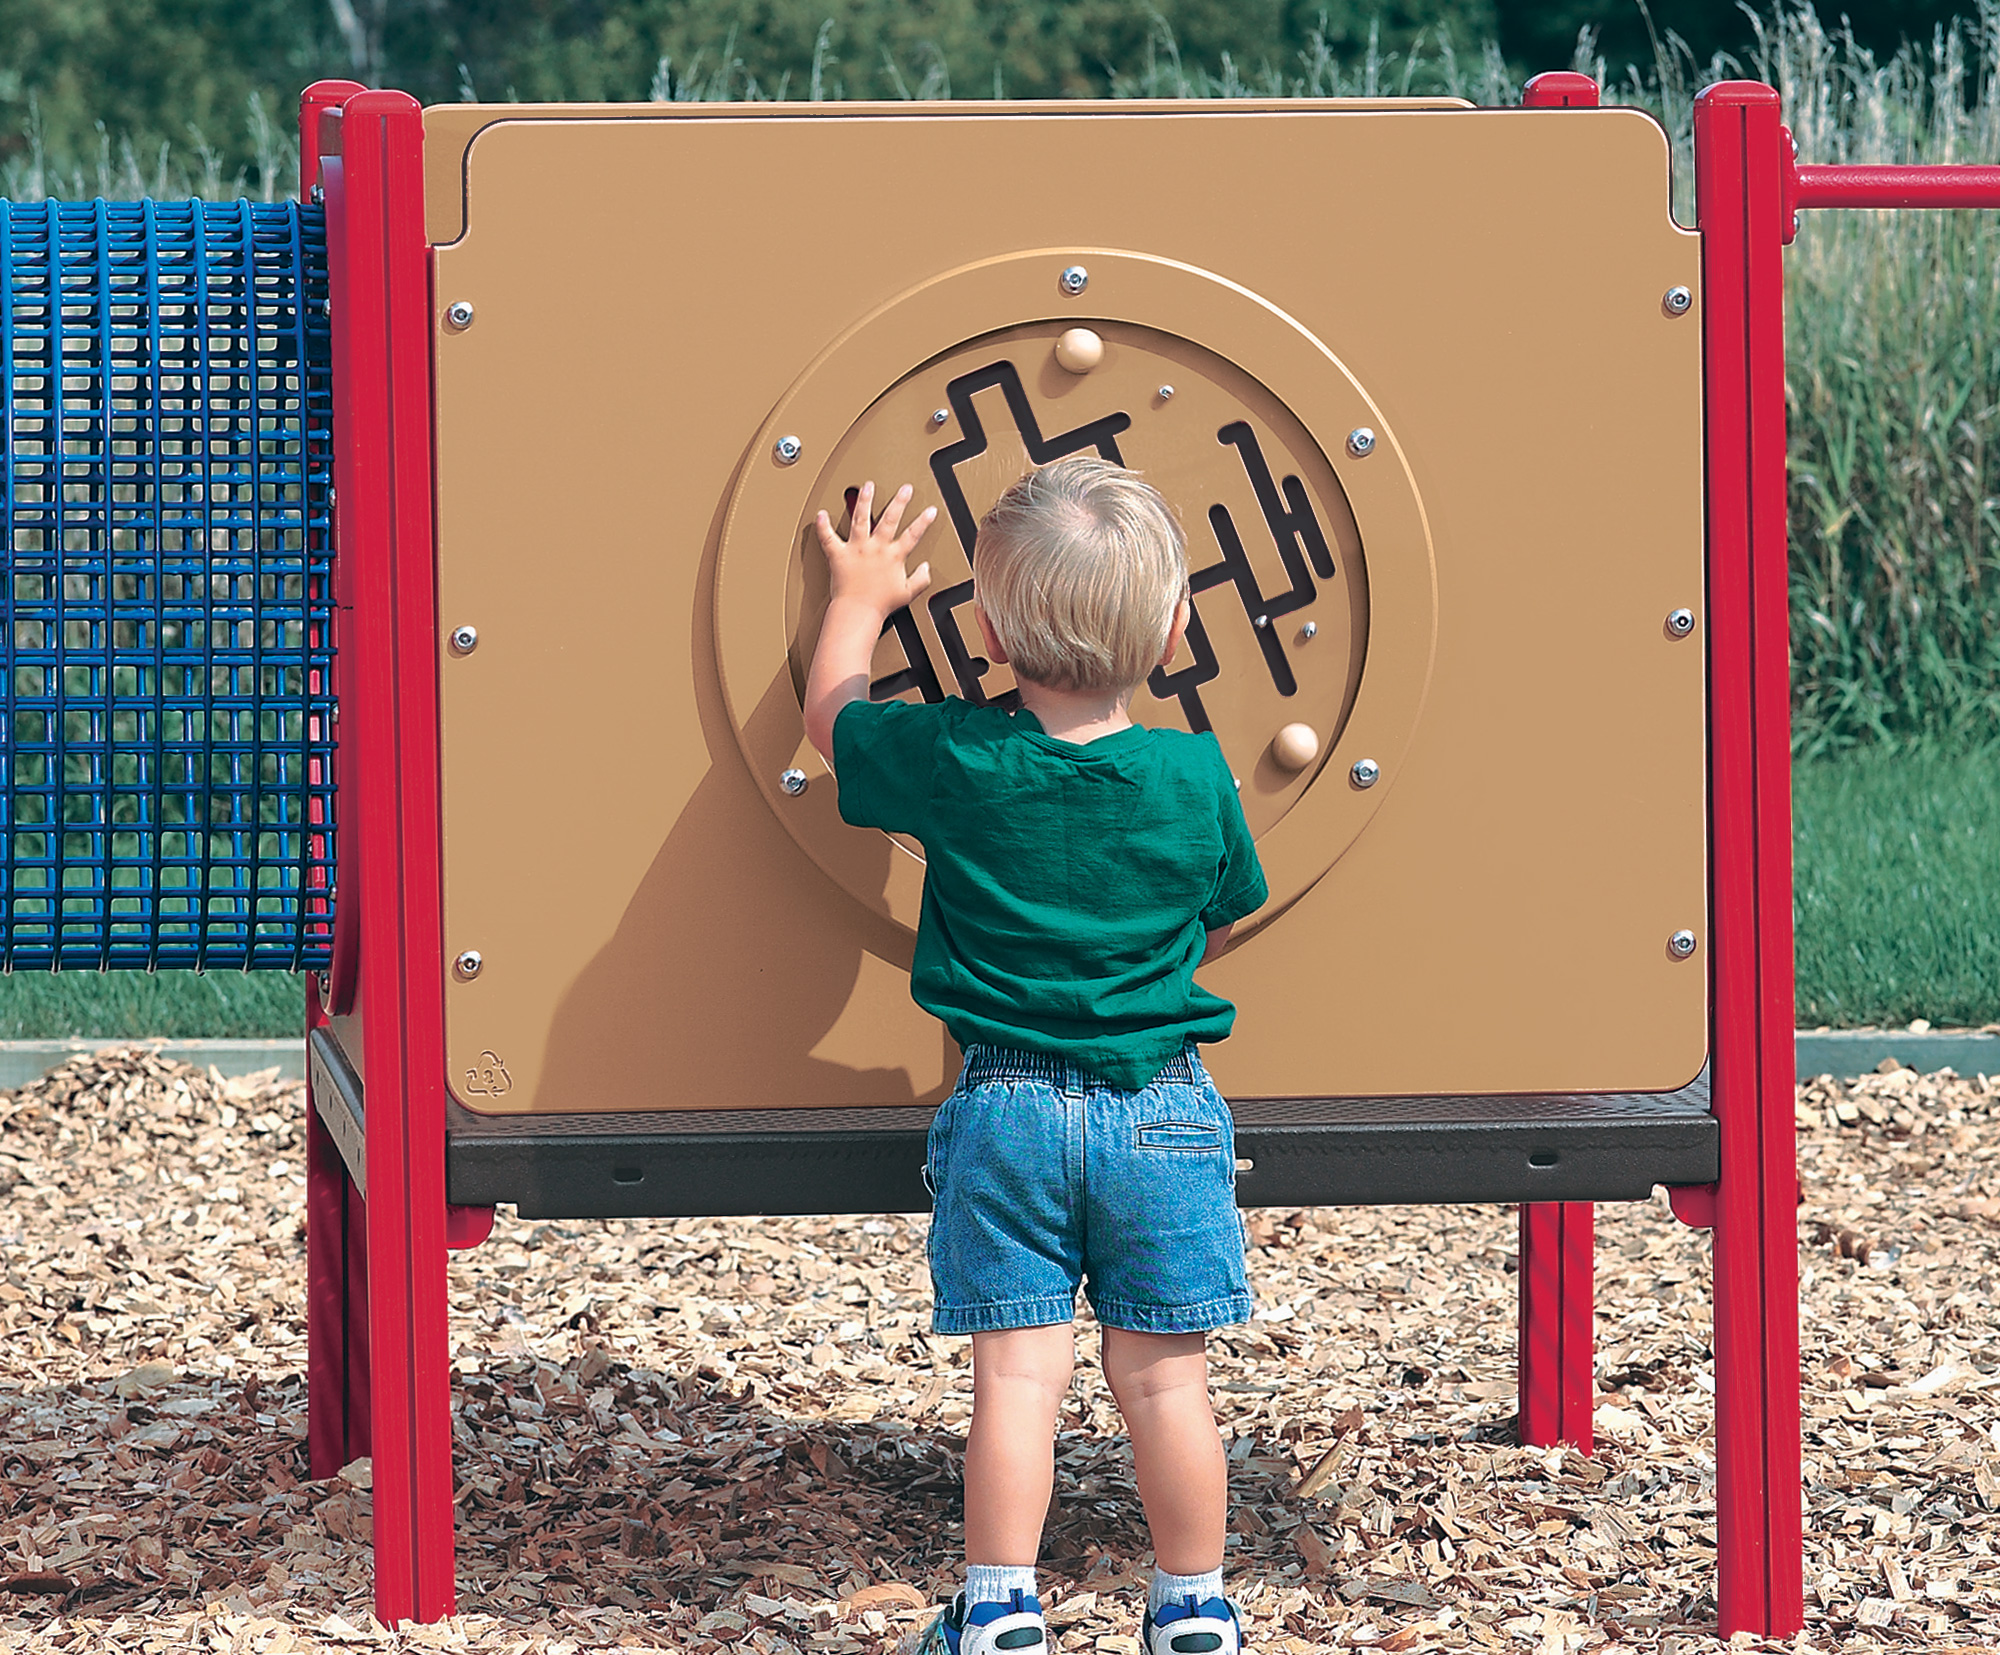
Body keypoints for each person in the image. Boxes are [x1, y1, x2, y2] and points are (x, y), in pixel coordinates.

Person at [802, 456, 1268, 1655]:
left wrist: (857, 597)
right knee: (1165, 1380)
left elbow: (834, 722)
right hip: (1160, 1105)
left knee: (1018, 1379)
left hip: (1006, 1101)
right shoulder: (1191, 771)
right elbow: (1224, 905)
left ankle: (1002, 1602)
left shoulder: (959, 757)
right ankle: (1194, 1607)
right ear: (1172, 628)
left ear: (994, 632)